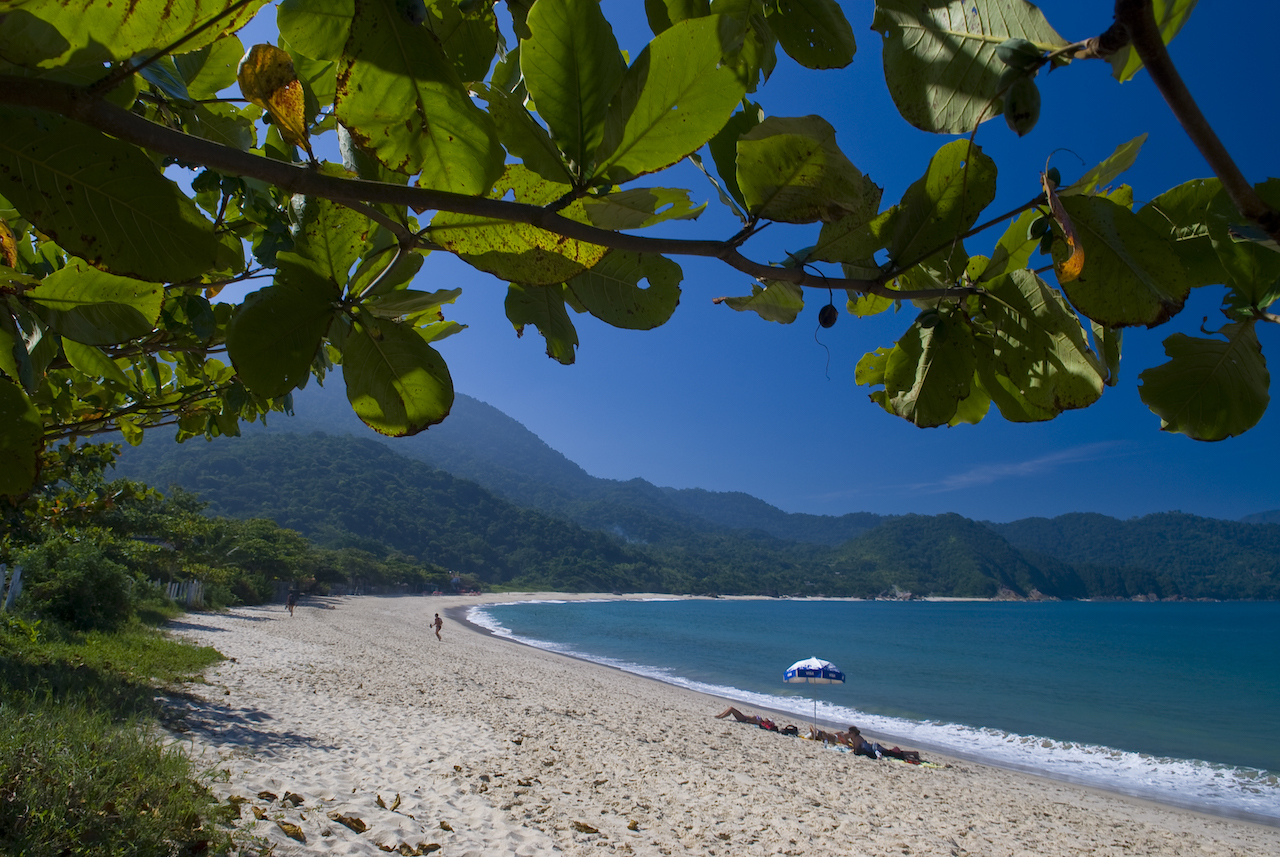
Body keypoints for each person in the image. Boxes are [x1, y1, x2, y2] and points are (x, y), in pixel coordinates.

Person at [714, 706, 798, 734]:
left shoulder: (760, 722)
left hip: (744, 718)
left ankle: (720, 716)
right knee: (731, 709)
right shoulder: (760, 720)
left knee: (731, 709)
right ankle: (720, 715)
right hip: (744, 717)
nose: (765, 719)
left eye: (767, 720)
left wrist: (747, 721)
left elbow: (751, 722)